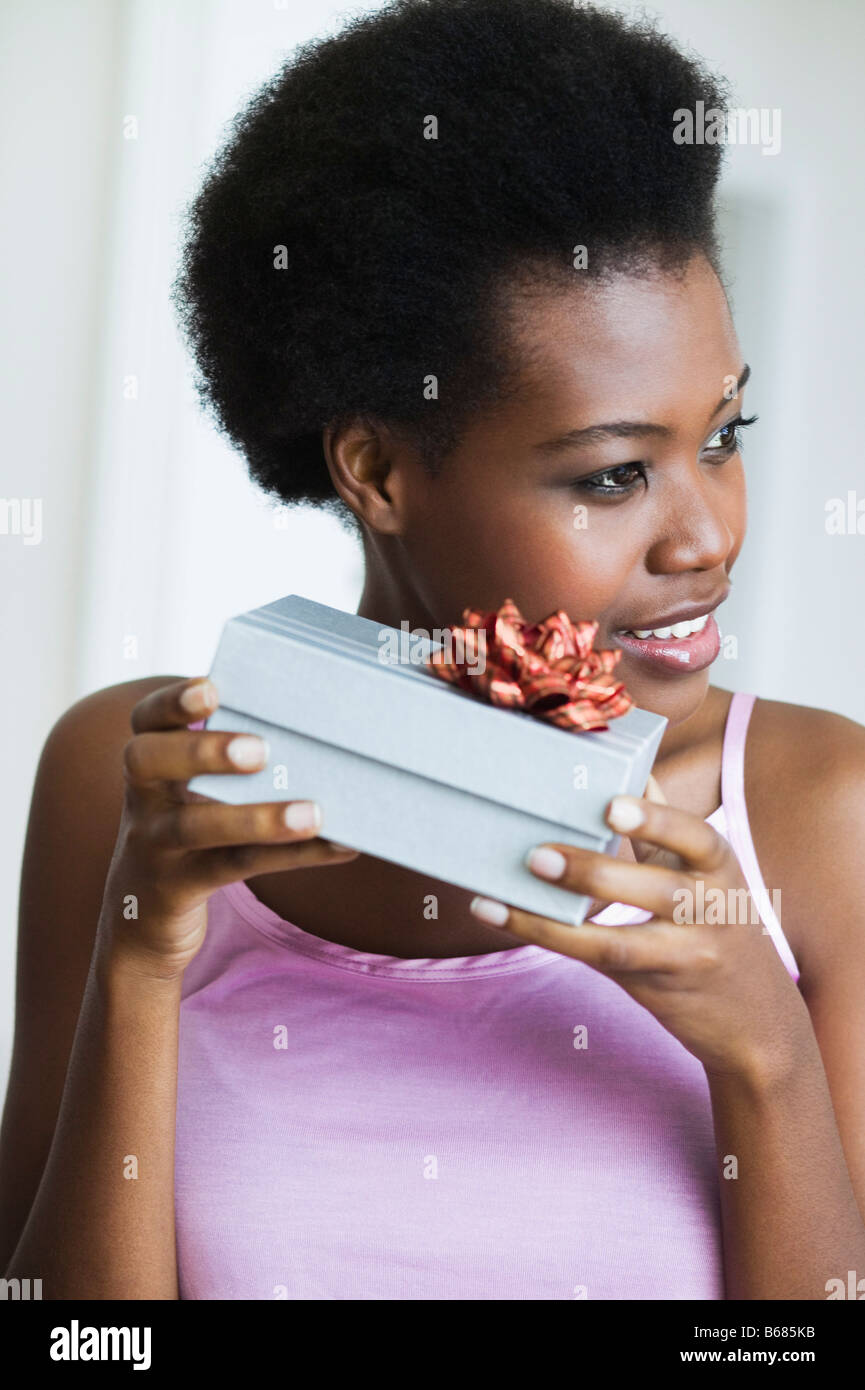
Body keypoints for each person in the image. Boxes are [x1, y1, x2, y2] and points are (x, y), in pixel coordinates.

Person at [2, 0, 864, 1300]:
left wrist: (768, 1055)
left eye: (724, 435)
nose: (706, 533)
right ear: (376, 468)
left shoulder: (815, 815)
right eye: (614, 471)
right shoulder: (140, 782)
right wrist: (140, 960)